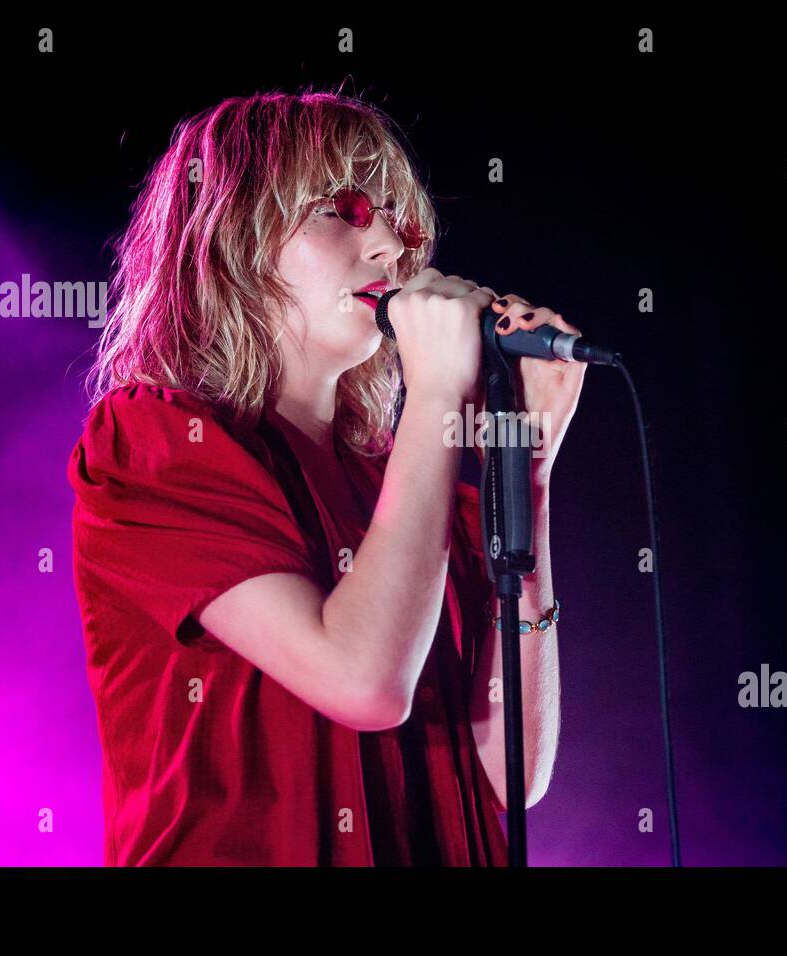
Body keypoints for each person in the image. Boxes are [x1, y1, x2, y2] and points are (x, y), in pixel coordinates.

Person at [66, 88, 587, 865]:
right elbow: (363, 682)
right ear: (229, 238)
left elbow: (511, 772)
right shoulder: (155, 441)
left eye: (400, 223)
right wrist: (439, 393)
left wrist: (528, 472)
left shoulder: (411, 485)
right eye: (342, 209)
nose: (391, 249)